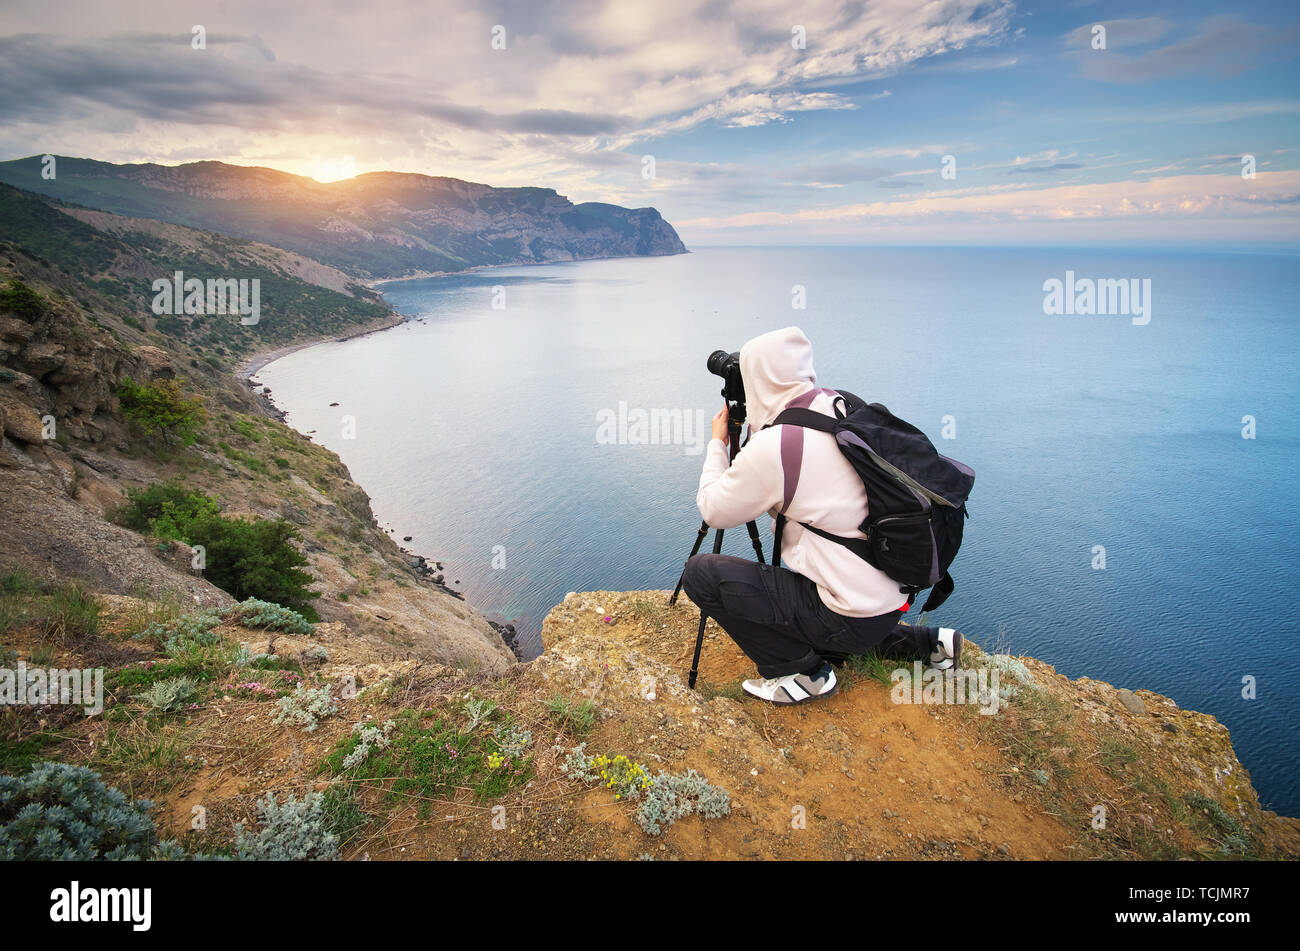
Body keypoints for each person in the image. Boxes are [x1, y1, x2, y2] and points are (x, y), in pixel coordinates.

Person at [681, 326, 961, 705]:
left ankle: (803, 673)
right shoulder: (840, 405)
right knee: (840, 604)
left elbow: (714, 509)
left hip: (849, 615)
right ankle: (928, 644)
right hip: (890, 600)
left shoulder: (774, 447)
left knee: (701, 574)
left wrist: (719, 443)